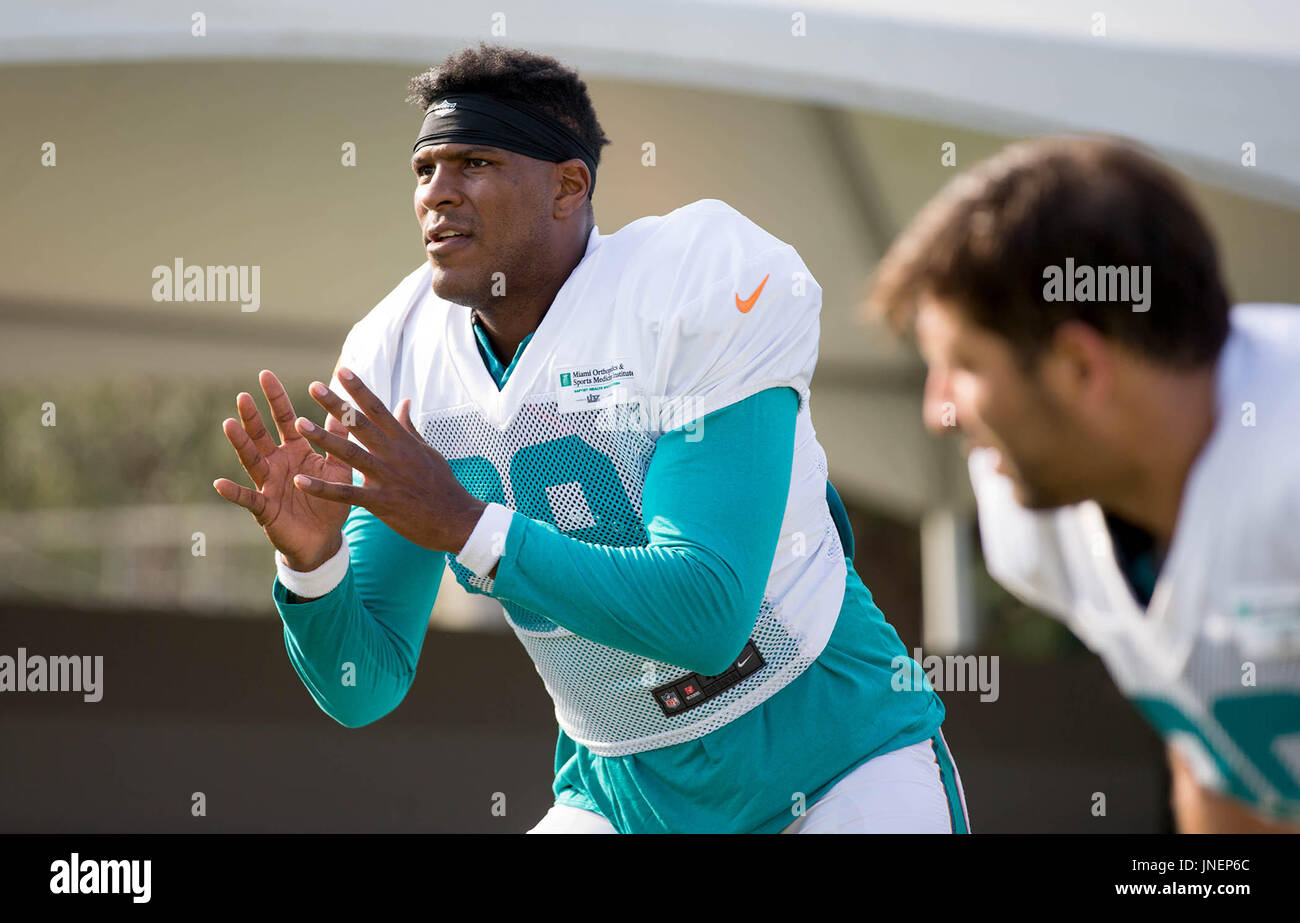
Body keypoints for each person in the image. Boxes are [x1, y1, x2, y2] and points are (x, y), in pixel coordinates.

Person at [212, 44, 966, 834]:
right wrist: (313, 564)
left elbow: (708, 615)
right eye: (424, 168)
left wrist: (470, 527)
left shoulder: (691, 283)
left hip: (830, 746)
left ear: (569, 185)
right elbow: (364, 685)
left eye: (473, 162)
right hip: (624, 785)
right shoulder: (398, 353)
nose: (437, 193)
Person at [867, 135, 1300, 832]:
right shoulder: (1036, 522)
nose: (936, 409)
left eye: (964, 365)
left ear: (1079, 367)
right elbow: (1224, 761)